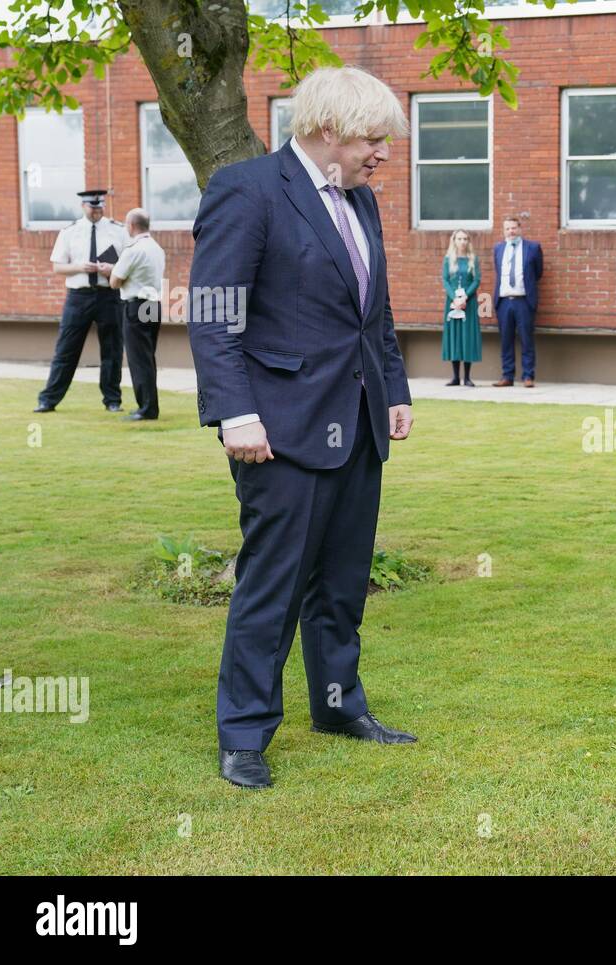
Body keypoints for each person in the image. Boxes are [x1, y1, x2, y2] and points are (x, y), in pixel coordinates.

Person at [188, 66, 415, 789]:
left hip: (357, 422)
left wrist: (396, 390)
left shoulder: (364, 202)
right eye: (372, 139)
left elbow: (370, 312)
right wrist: (234, 410)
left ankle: (338, 707)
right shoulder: (247, 190)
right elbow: (217, 312)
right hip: (276, 428)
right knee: (274, 585)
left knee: (343, 584)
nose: (382, 153)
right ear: (327, 131)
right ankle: (244, 734)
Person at [34, 189, 128, 413]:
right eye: (92, 208)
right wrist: (80, 267)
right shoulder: (70, 232)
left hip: (109, 295)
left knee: (112, 350)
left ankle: (112, 400)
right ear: (83, 207)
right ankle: (48, 399)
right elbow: (58, 266)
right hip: (79, 296)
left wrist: (111, 269)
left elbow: (127, 264)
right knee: (66, 349)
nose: (96, 211)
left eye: (99, 208)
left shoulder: (118, 230)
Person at [109, 208, 166, 421]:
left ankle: (147, 408)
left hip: (137, 306)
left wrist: (112, 270)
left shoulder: (132, 250)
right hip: (154, 304)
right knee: (148, 356)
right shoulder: (156, 248)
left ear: (131, 226)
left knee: (138, 358)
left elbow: (115, 282)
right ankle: (150, 405)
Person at [491, 216, 543, 387]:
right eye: (507, 228)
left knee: (526, 339)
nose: (511, 231)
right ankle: (507, 375)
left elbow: (538, 273)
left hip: (523, 301)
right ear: (503, 231)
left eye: (513, 228)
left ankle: (528, 376)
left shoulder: (533, 248)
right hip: (504, 301)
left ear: (519, 229)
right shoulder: (498, 248)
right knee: (506, 340)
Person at [440, 229, 481, 386]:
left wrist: (464, 297)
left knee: (467, 337)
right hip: (452, 303)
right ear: (454, 240)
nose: (462, 241)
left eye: (465, 239)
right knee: (455, 336)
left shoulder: (473, 259)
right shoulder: (448, 259)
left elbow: (476, 280)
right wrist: (454, 298)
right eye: (459, 238)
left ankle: (468, 377)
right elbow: (445, 280)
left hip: (468, 303)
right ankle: (456, 377)